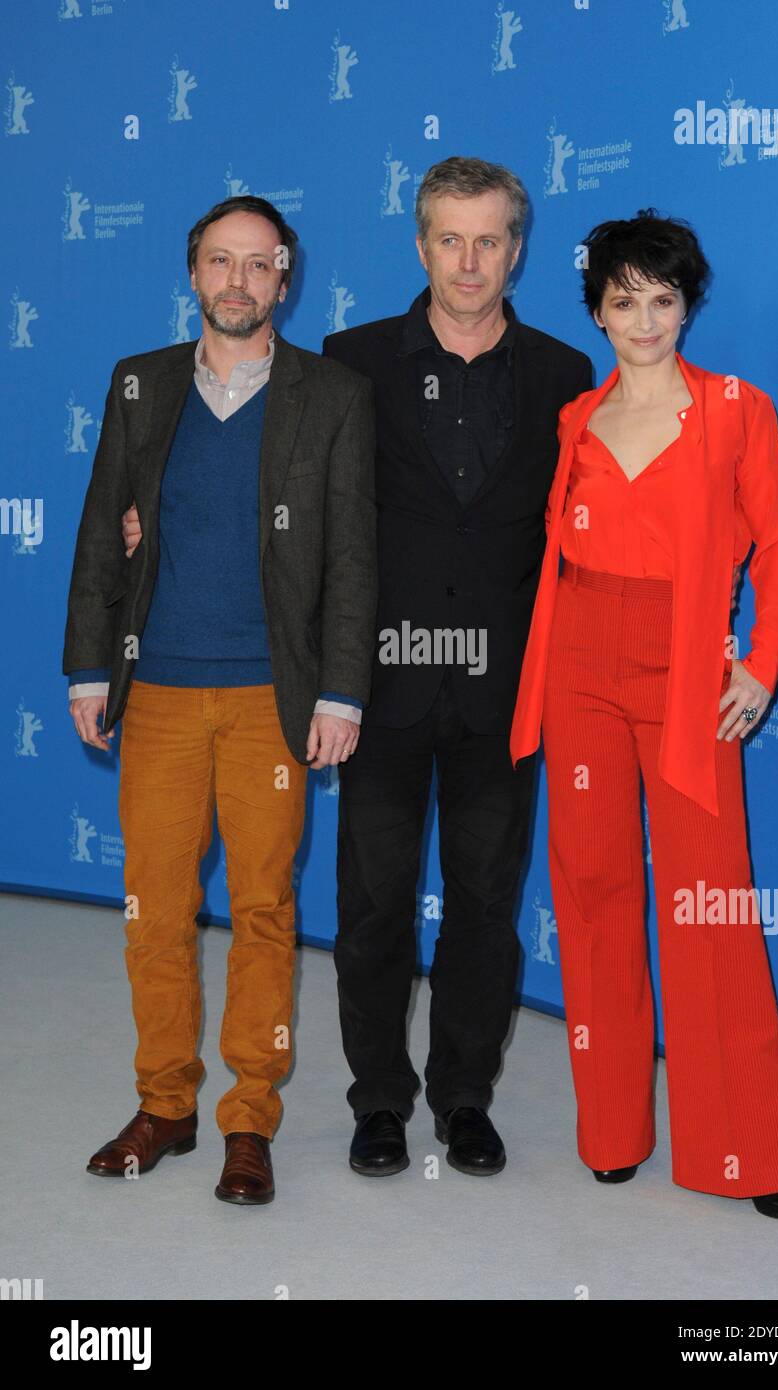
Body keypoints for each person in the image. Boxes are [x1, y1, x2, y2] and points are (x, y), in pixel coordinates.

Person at [63, 195, 376, 1205]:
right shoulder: (138, 386)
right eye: (217, 261)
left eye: (257, 263)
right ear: (192, 273)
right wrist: (87, 668)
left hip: (268, 703)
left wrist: (340, 689)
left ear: (285, 276)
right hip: (154, 692)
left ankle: (250, 1115)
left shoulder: (331, 394)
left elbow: (351, 558)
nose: (236, 281)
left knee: (263, 911)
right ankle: (165, 1104)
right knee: (154, 912)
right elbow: (98, 529)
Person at [510, 208, 778, 1219]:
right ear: (596, 311)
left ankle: (745, 1154)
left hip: (687, 675)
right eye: (622, 299)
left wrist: (760, 663)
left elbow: (776, 548)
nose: (643, 318)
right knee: (591, 894)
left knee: (710, 903)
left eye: (662, 298)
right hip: (580, 665)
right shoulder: (573, 422)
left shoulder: (735, 409)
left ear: (687, 305)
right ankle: (610, 1133)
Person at [321, 157, 592, 1177]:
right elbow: (302, 509)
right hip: (381, 685)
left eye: (489, 239)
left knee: (483, 905)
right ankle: (379, 1101)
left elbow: (586, 529)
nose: (469, 260)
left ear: (516, 249)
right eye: (449, 238)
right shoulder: (349, 362)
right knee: (372, 905)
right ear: (418, 244)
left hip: (504, 693)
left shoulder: (567, 374)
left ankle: (464, 1095)